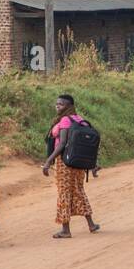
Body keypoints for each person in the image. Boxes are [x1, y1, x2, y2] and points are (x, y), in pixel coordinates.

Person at [42, 93, 101, 239]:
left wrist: (49, 161)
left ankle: (65, 230)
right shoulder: (79, 119)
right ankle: (91, 224)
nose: (57, 106)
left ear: (69, 106)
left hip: (65, 162)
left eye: (61, 104)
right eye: (57, 103)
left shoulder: (65, 121)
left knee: (64, 193)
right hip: (78, 163)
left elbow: (62, 144)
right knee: (78, 191)